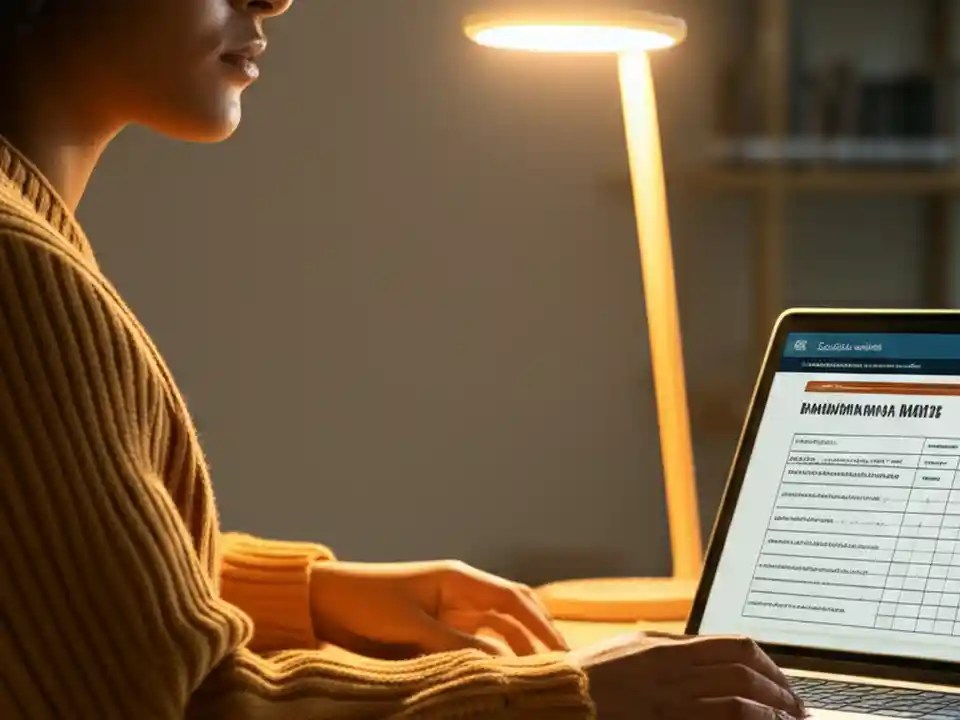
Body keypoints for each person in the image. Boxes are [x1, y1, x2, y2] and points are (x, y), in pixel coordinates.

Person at [0, 1, 808, 718]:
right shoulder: (20, 272)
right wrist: (560, 697)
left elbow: (50, 584)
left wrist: (307, 595)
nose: (274, 0)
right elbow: (190, 707)